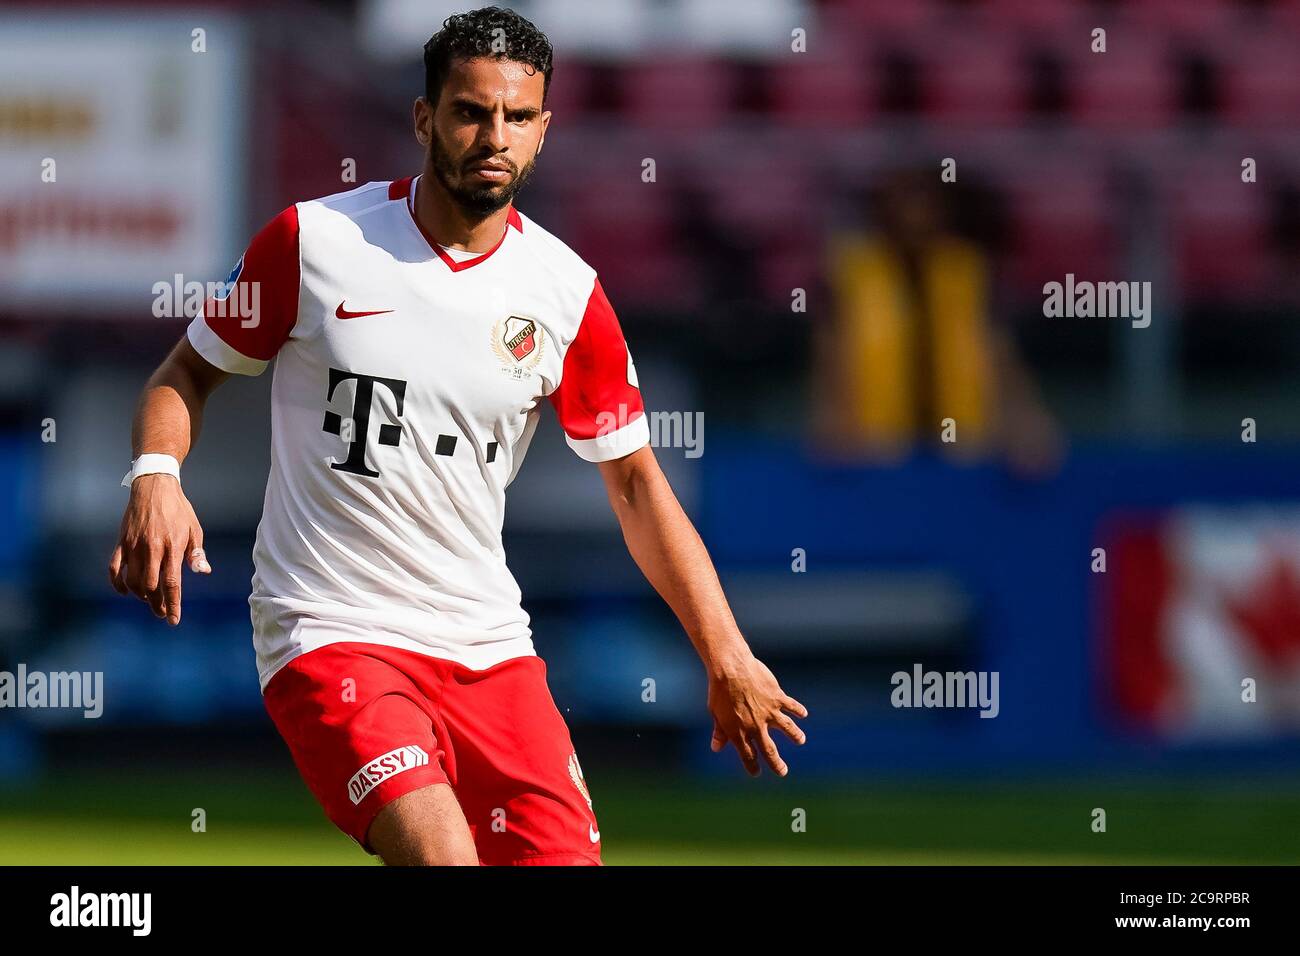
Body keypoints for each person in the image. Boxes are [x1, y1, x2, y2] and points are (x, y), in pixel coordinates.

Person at [108, 6, 805, 866]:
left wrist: (726, 653)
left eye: (517, 117)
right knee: (443, 856)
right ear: (424, 117)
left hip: (489, 648)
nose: (493, 137)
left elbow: (636, 485)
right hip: (330, 626)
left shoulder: (565, 293)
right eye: (472, 112)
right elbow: (184, 374)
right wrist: (154, 475)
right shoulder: (314, 243)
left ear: (545, 130)